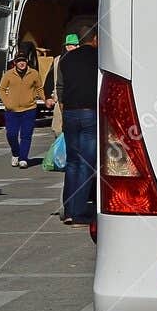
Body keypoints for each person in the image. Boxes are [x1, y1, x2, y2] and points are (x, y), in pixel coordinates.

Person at [55, 22, 98, 226]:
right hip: (90, 112)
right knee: (86, 163)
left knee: (72, 162)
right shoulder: (99, 57)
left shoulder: (65, 59)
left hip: (70, 112)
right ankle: (80, 211)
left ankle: (69, 209)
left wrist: (64, 113)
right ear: (95, 39)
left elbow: (60, 88)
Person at [0, 51, 45, 167]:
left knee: (26, 135)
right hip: (12, 111)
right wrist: (7, 103)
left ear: (27, 62)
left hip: (29, 109)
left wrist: (46, 100)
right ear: (15, 63)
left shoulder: (34, 73)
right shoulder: (8, 74)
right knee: (11, 134)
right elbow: (1, 89)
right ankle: (16, 153)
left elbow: (40, 88)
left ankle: (23, 158)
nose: (22, 63)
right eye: (19, 61)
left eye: (23, 61)